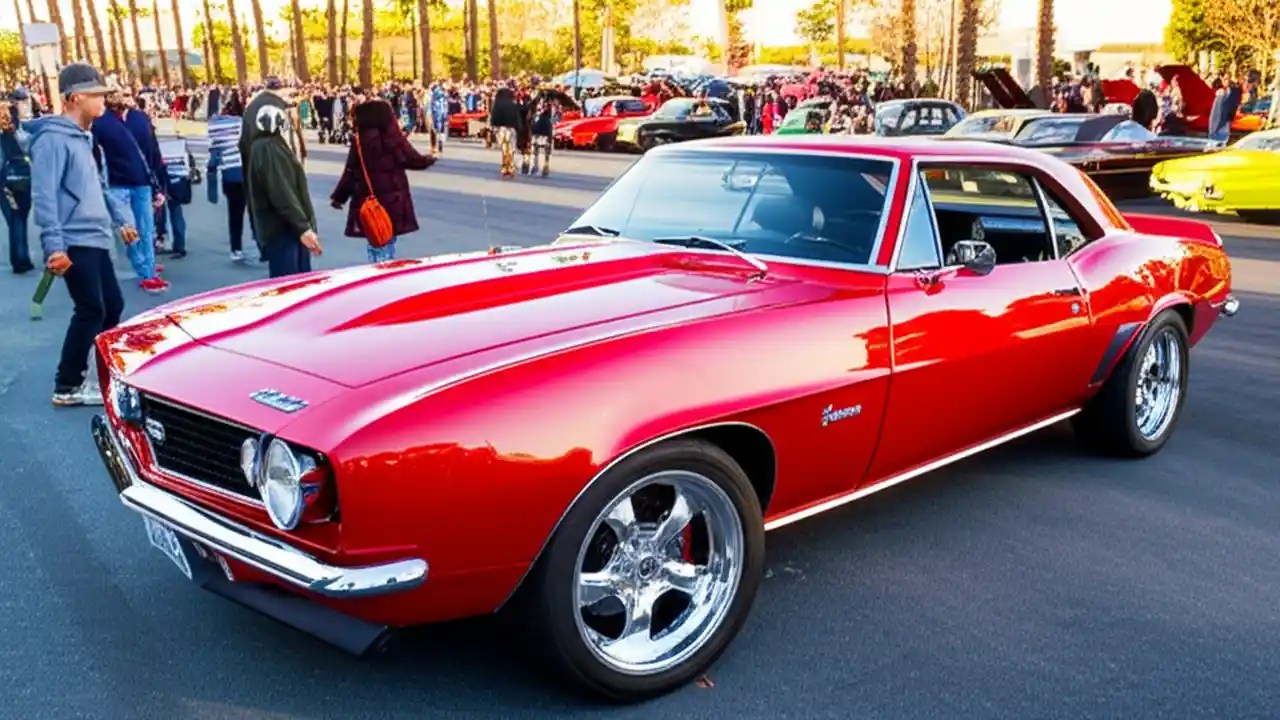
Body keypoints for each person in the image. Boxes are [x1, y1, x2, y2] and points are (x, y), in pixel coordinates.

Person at [27, 63, 139, 406]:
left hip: (96, 236)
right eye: (97, 96)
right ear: (75, 98)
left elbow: (99, 187)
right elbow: (44, 196)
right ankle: (68, 384)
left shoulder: (83, 138)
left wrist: (121, 220)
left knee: (112, 306)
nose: (103, 102)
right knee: (91, 309)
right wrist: (54, 247)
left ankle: (94, 376)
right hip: (74, 241)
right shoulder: (52, 142)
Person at [330, 98, 435, 263]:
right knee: (387, 238)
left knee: (376, 237)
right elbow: (411, 159)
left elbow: (350, 171)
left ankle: (378, 268)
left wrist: (339, 197)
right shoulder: (392, 138)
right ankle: (384, 273)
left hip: (369, 199)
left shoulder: (359, 140)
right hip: (393, 199)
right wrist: (429, 159)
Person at [92, 86, 168, 293]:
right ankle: (144, 267)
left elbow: (152, 151)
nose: (124, 98)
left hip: (142, 182)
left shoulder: (140, 119)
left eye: (126, 95)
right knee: (129, 230)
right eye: (118, 95)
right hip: (117, 184)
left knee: (146, 229)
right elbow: (94, 155)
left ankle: (148, 271)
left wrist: (159, 186)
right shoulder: (100, 123)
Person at [246, 104, 322, 277]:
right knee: (292, 285)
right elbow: (281, 192)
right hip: (284, 229)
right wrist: (304, 227)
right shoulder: (270, 149)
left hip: (284, 228)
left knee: (296, 283)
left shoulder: (265, 147)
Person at [1, 99, 33, 274]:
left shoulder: (2, 139)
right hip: (25, 178)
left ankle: (19, 258)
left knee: (14, 220)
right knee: (22, 217)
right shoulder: (22, 135)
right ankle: (24, 256)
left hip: (7, 183)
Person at [489, 86, 522, 178]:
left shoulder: (496, 105)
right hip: (511, 129)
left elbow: (493, 117)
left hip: (500, 129)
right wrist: (519, 129)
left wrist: (493, 127)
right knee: (511, 149)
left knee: (503, 149)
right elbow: (517, 118)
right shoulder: (513, 105)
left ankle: (504, 166)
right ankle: (510, 166)